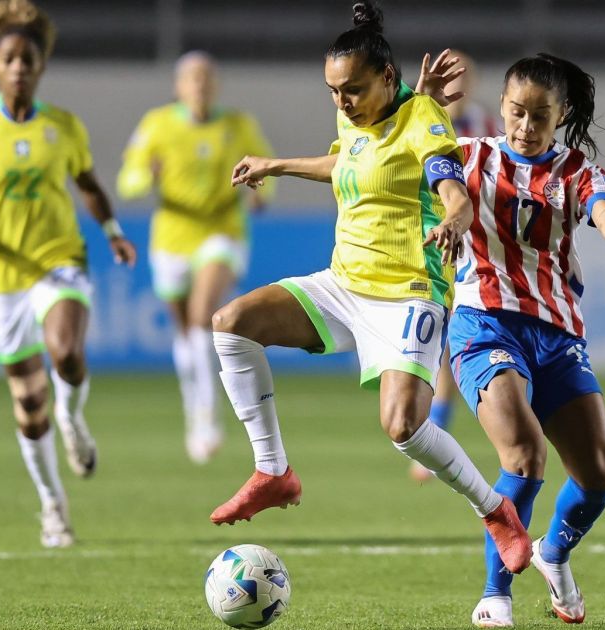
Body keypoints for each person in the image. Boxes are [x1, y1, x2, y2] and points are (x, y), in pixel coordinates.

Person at [209, 0, 532, 578]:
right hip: (342, 284)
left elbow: (451, 187)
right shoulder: (357, 118)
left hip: (409, 291)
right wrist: (275, 165)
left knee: (402, 426)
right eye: (333, 90)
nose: (341, 101)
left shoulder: (424, 119)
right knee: (230, 323)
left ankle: (494, 509)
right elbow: (345, 165)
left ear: (387, 78)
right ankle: (273, 472)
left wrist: (455, 218)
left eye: (351, 90)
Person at [420, 52, 605, 627]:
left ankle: (552, 554)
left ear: (560, 115)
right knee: (524, 455)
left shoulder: (577, 172)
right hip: (484, 322)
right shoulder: (470, 157)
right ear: (503, 108)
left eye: (540, 116)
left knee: (597, 476)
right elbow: (420, 174)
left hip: (558, 333)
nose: (525, 127)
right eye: (516, 112)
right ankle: (494, 597)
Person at [0, 0, 136, 548]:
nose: (19, 67)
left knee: (65, 352)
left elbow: (87, 183)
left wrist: (111, 230)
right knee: (27, 405)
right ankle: (53, 506)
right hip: (1, 276)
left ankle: (75, 420)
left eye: (28, 59)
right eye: (9, 58)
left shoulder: (61, 126)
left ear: (41, 67)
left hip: (59, 257)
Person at [117, 51, 274, 465]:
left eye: (206, 79)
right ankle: (193, 404)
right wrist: (144, 176)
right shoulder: (157, 125)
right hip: (171, 237)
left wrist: (262, 196)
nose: (200, 86)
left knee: (202, 314)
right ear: (178, 87)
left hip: (222, 232)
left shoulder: (238, 125)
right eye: (192, 80)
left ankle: (207, 416)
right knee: (185, 332)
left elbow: (264, 168)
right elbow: (127, 179)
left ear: (215, 85)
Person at [410, 49, 503, 484]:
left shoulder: (483, 126)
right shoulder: (418, 116)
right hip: (421, 234)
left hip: (464, 240)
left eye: (462, 75)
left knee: (447, 344)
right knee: (434, 348)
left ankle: (433, 438)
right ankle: (428, 436)